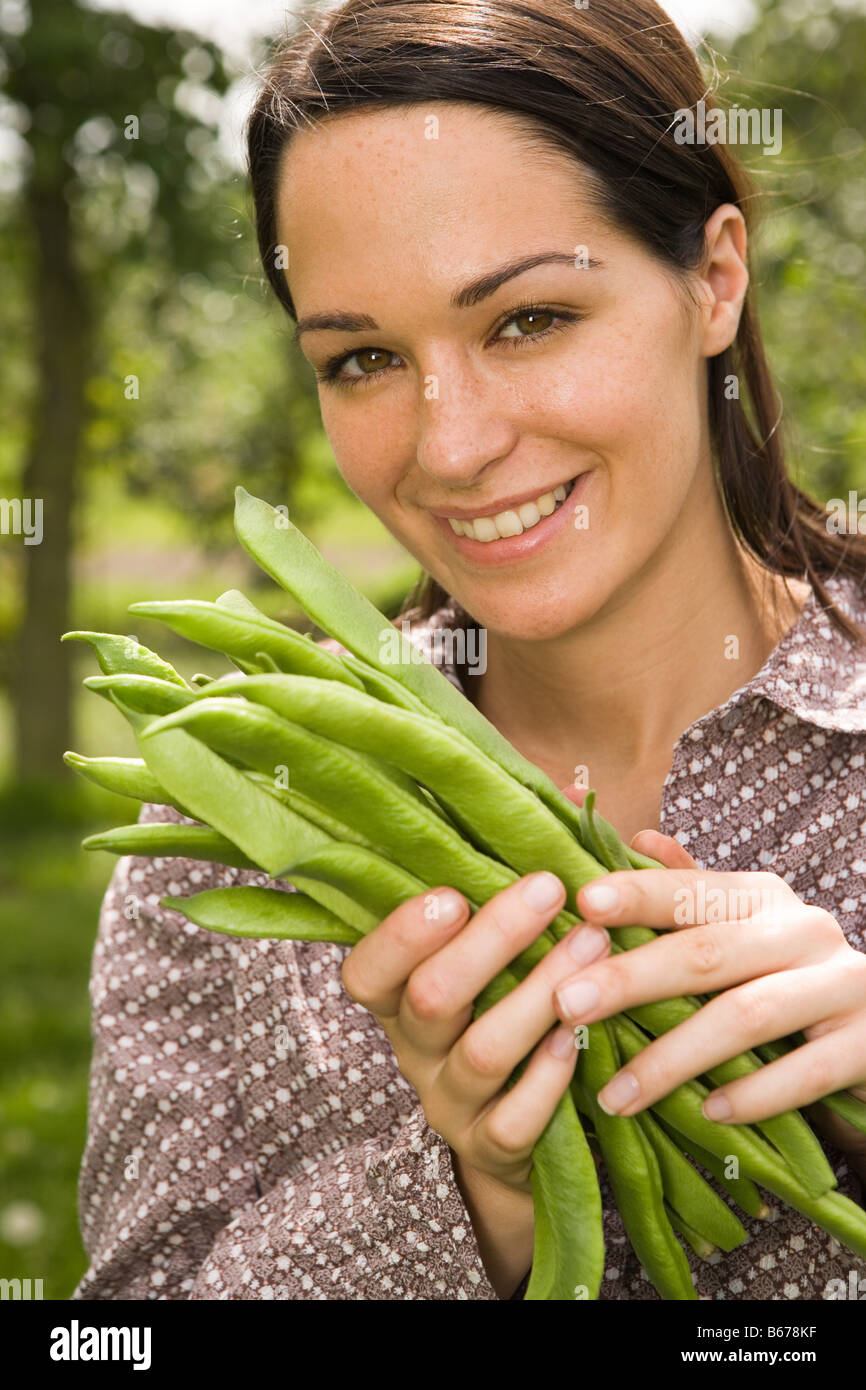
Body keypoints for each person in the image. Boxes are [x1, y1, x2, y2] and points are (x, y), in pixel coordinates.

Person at [73, 0, 866, 1300]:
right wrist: (467, 1195)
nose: (447, 445)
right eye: (365, 357)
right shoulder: (224, 825)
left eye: (527, 319)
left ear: (712, 278)